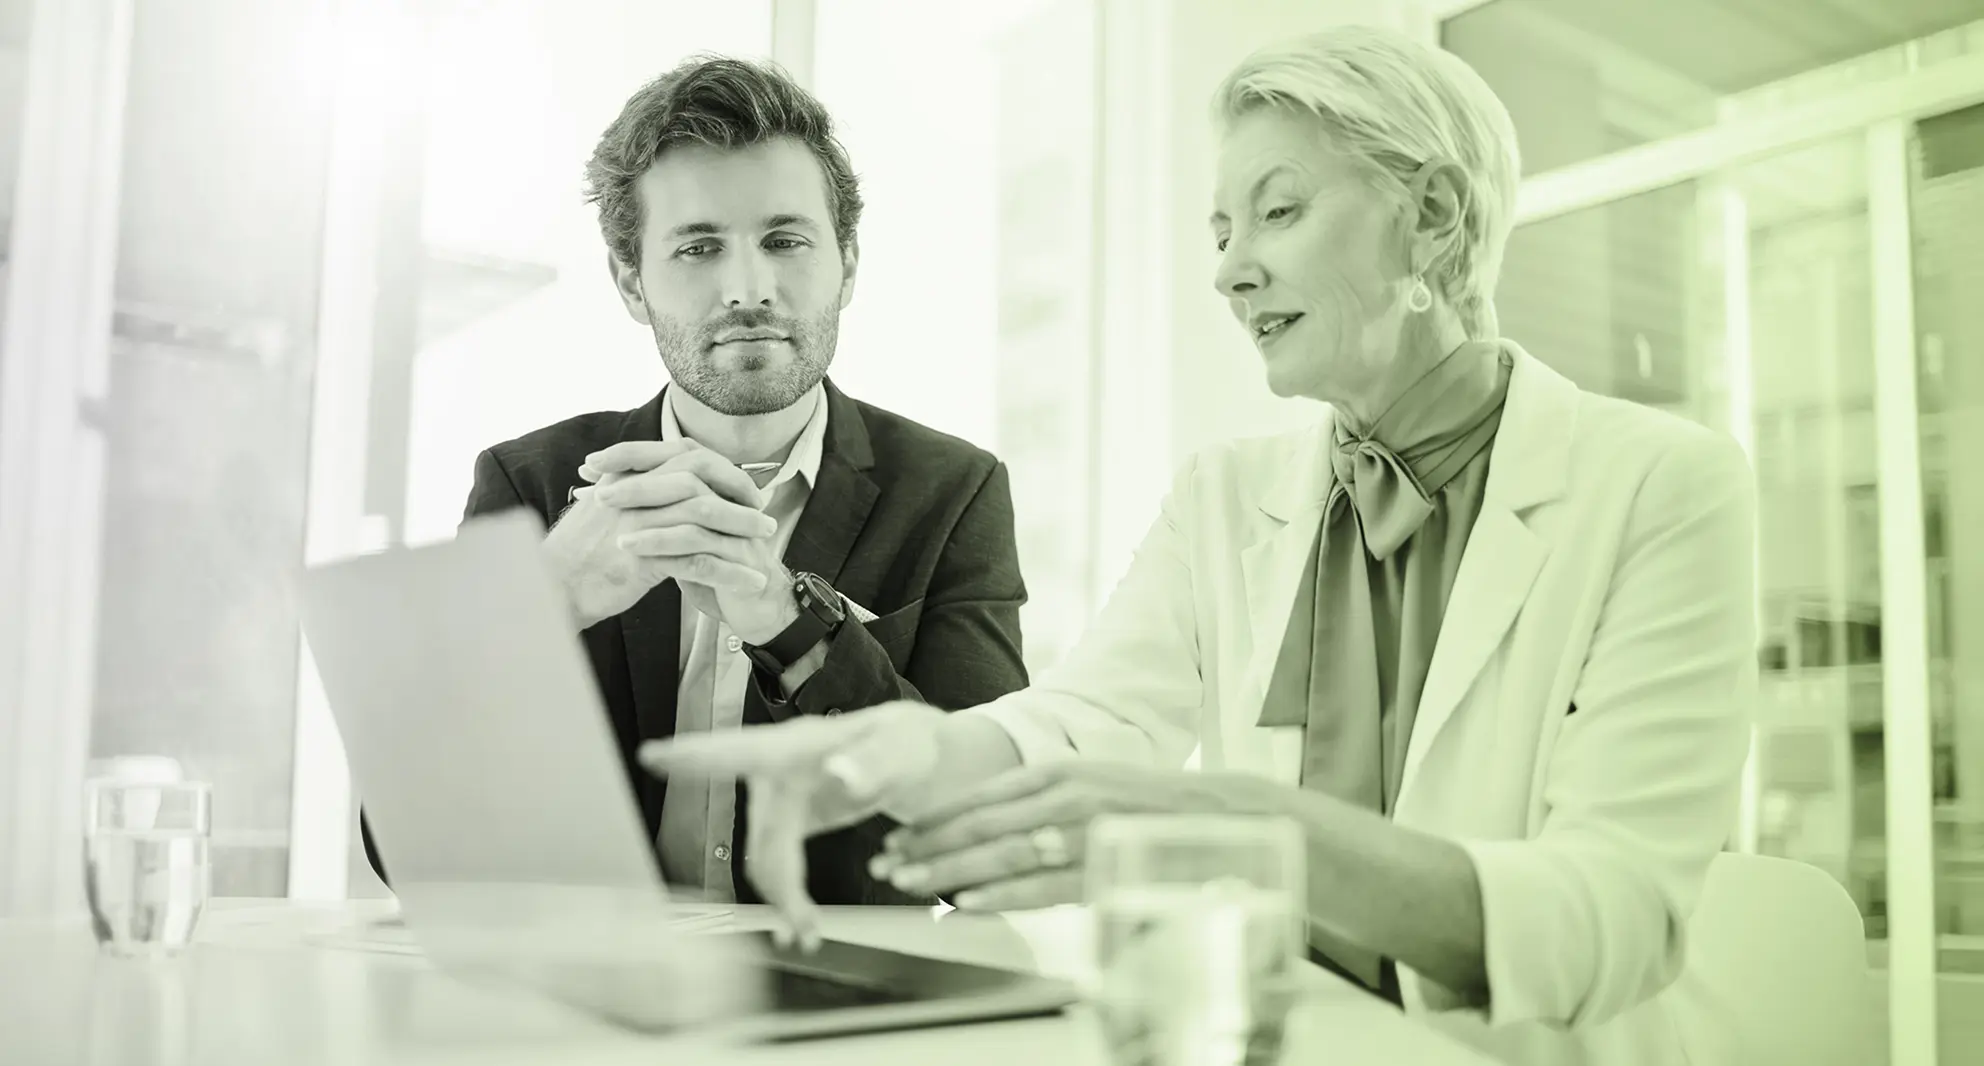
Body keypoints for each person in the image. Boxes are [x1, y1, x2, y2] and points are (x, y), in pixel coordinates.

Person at [638, 25, 1757, 1066]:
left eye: (1277, 213)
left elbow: (1606, 916)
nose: (1228, 270)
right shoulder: (1224, 496)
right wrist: (899, 754)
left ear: (1433, 217)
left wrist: (1235, 827)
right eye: (1221, 231)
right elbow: (1087, 720)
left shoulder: (1662, 487)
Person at [359, 56, 1031, 910]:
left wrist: (793, 629)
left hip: (838, 1017)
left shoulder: (953, 491)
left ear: (848, 263)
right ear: (631, 281)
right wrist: (545, 602)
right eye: (698, 247)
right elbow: (405, 848)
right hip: (592, 1013)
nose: (747, 288)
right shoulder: (526, 484)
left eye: (784, 241)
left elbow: (988, 842)